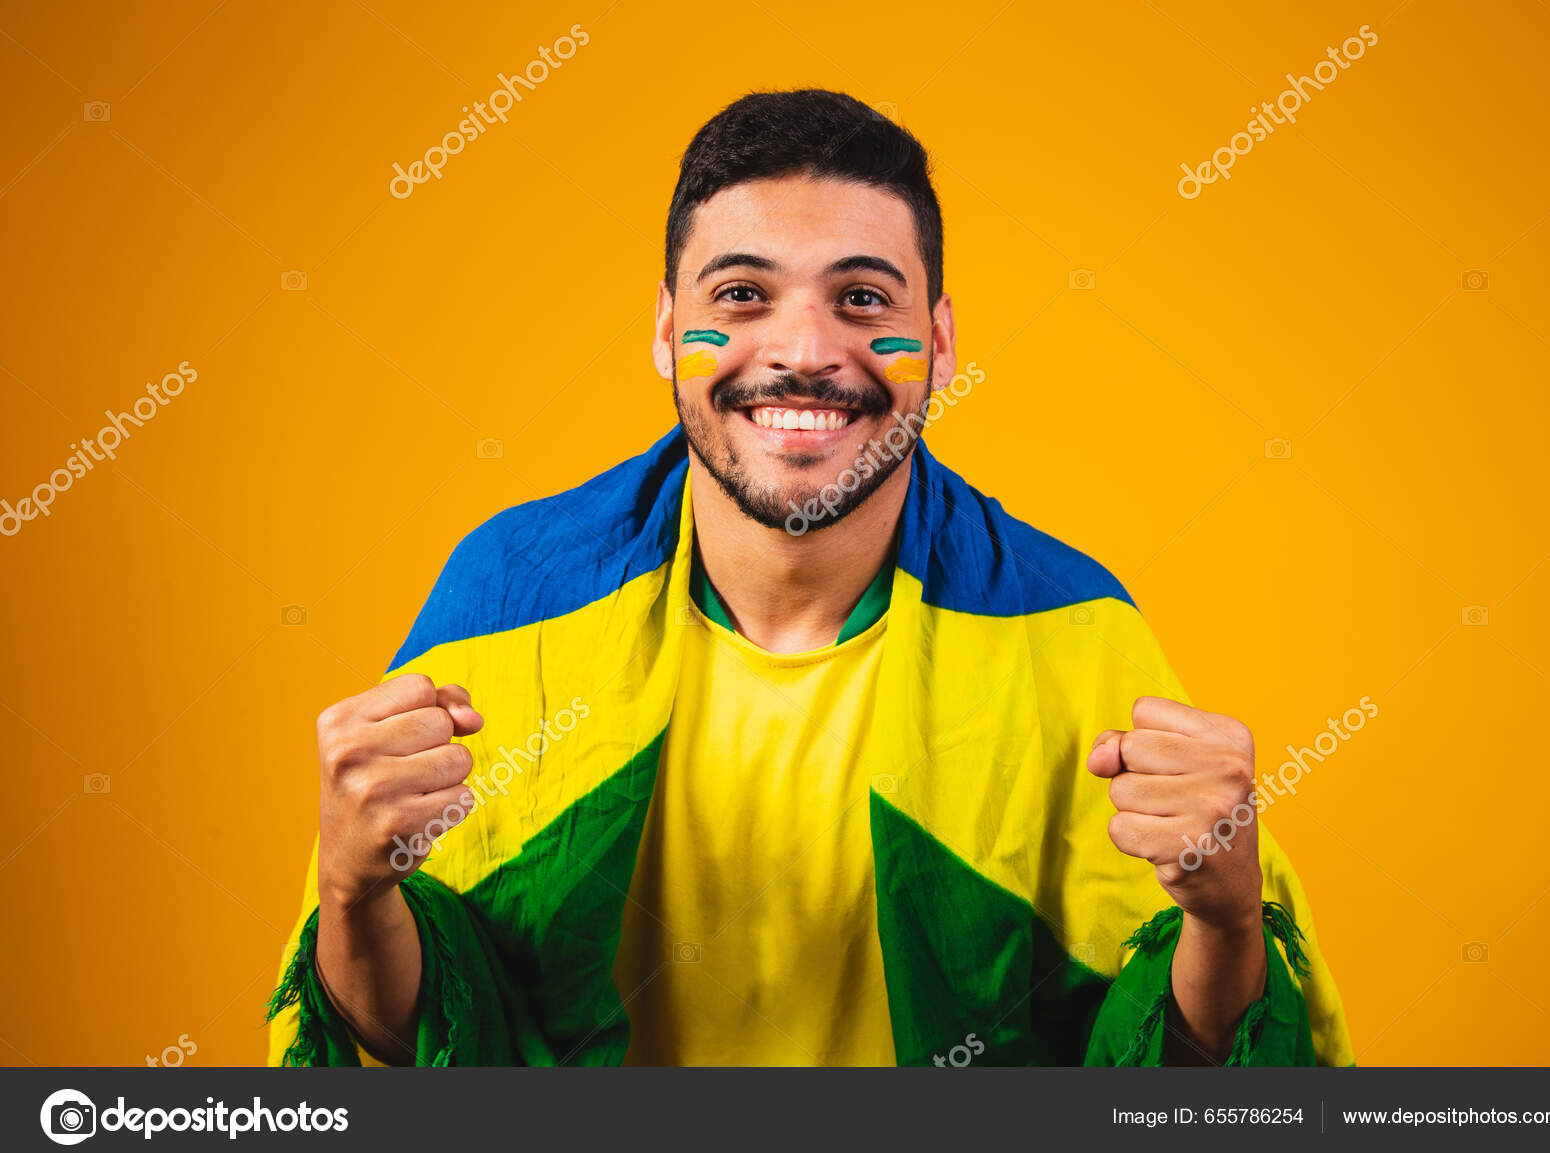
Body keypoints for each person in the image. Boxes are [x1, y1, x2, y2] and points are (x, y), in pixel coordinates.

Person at [268, 89, 1352, 1067]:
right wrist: (352, 893)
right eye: (742, 294)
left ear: (940, 341)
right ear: (666, 331)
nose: (802, 351)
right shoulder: (510, 595)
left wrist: (1226, 921)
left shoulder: (1071, 630)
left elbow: (1182, 1075)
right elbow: (407, 1037)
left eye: (863, 299)